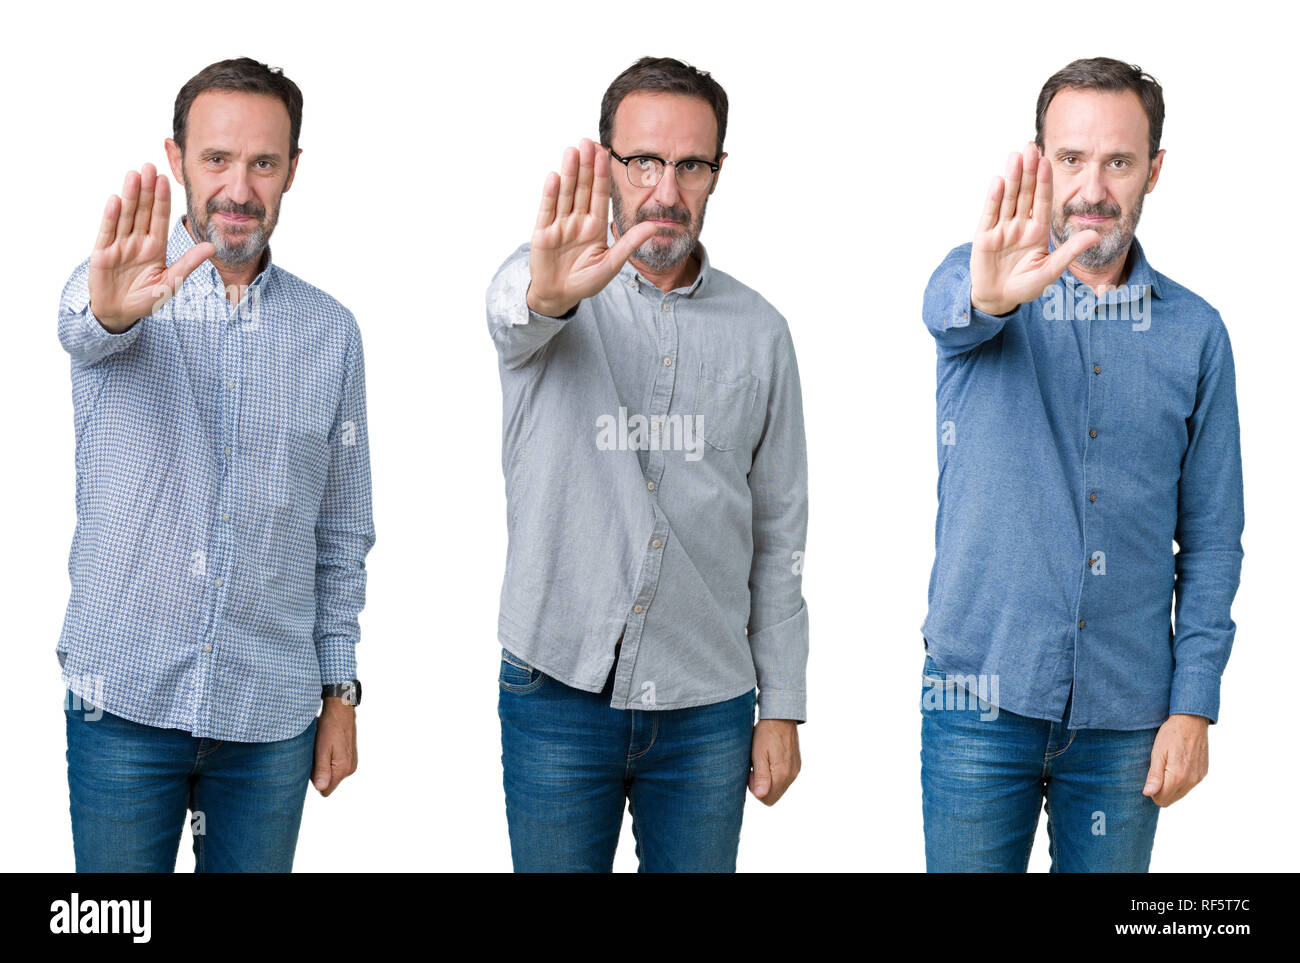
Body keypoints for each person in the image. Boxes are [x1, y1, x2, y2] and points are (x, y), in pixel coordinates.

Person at [919, 57, 1244, 872]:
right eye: (1071, 159)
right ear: (1039, 160)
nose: (1091, 188)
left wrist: (1194, 703)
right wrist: (995, 296)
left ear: (1153, 171)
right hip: (976, 703)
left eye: (1118, 161)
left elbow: (1212, 537)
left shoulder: (1198, 335)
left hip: (1128, 717)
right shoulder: (978, 280)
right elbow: (954, 312)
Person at [485, 56, 809, 872]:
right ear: (605, 165)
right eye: (644, 162)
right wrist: (551, 291)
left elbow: (779, 529)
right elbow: (514, 315)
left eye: (690, 164)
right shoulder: (547, 290)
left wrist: (784, 705)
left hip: (708, 704)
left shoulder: (763, 332)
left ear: (716, 173)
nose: (666, 190)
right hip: (556, 691)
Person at [57, 57, 374, 872]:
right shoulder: (119, 287)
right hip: (123, 705)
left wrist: (339, 691)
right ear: (176, 160)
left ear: (292, 172)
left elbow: (341, 531)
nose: (240, 187)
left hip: (268, 719)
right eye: (217, 159)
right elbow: (82, 325)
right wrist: (109, 308)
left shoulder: (330, 333)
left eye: (263, 163)